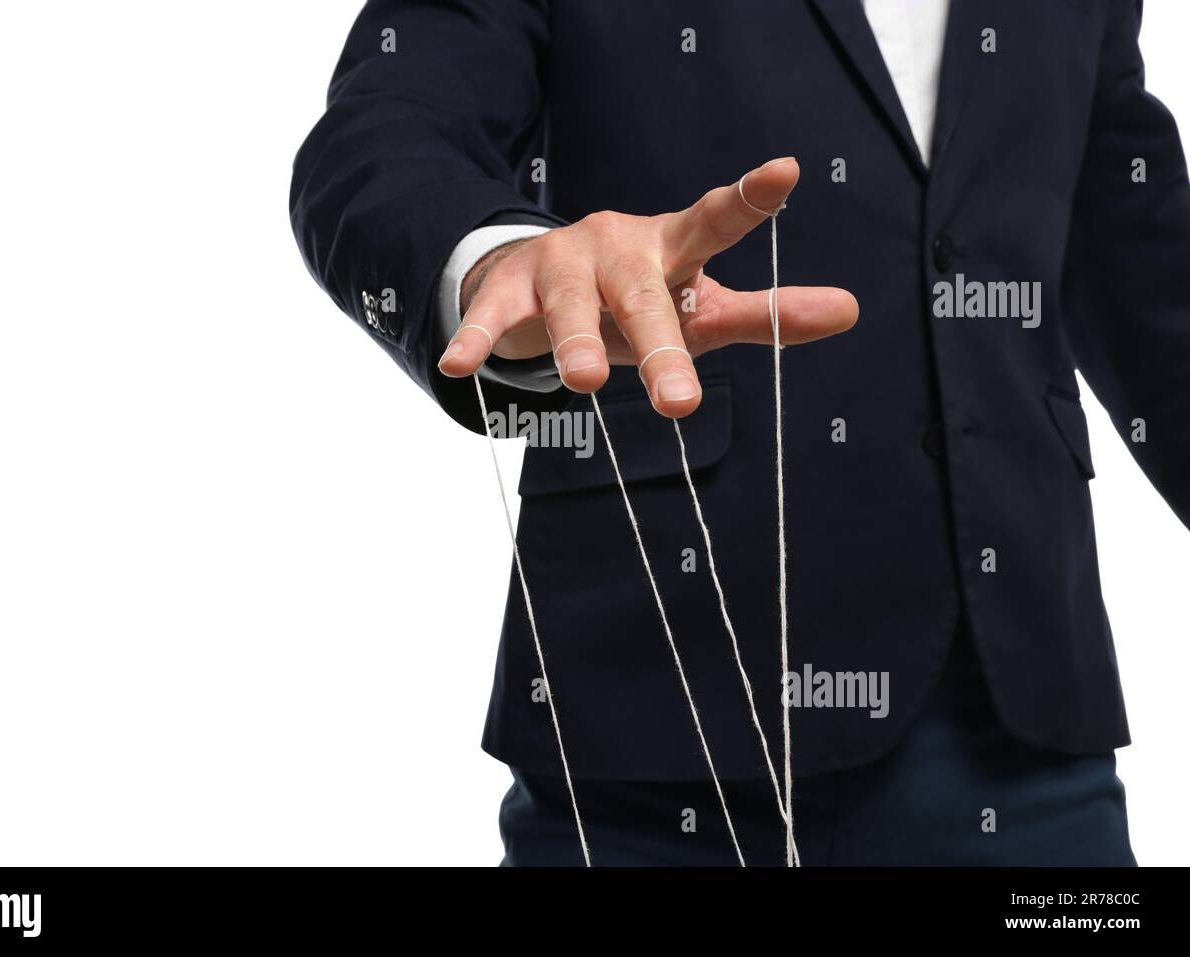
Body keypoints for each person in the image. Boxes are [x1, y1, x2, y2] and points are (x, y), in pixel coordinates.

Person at [289, 0, 1188, 865]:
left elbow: (1144, 275)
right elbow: (384, 132)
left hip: (1021, 720)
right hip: (658, 714)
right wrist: (498, 257)